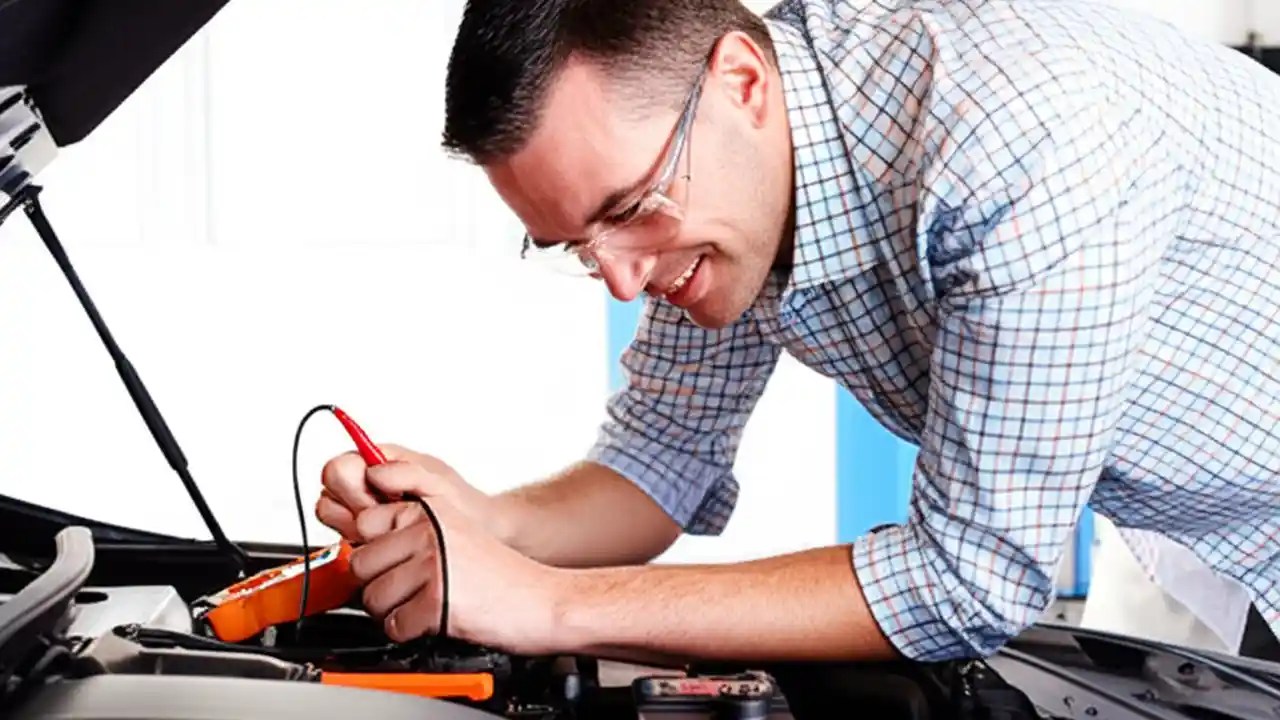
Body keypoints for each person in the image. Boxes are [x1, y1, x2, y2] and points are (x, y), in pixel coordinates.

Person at [314, 0, 1280, 665]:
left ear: (741, 82)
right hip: (1187, 534)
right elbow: (661, 455)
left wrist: (541, 603)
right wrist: (484, 525)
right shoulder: (724, 180)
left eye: (630, 207)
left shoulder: (1018, 148)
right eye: (572, 243)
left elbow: (969, 581)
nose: (619, 281)